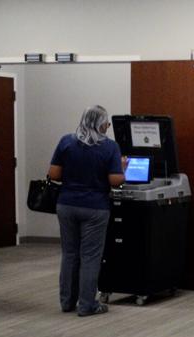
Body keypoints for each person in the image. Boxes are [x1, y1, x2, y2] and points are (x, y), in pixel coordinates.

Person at [47, 105, 124, 316]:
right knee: (90, 257)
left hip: (67, 204)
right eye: (106, 123)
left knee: (69, 254)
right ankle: (87, 304)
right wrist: (123, 169)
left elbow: (53, 173)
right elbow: (115, 180)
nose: (107, 126)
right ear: (101, 124)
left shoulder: (67, 141)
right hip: (95, 207)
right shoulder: (110, 147)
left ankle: (67, 302)